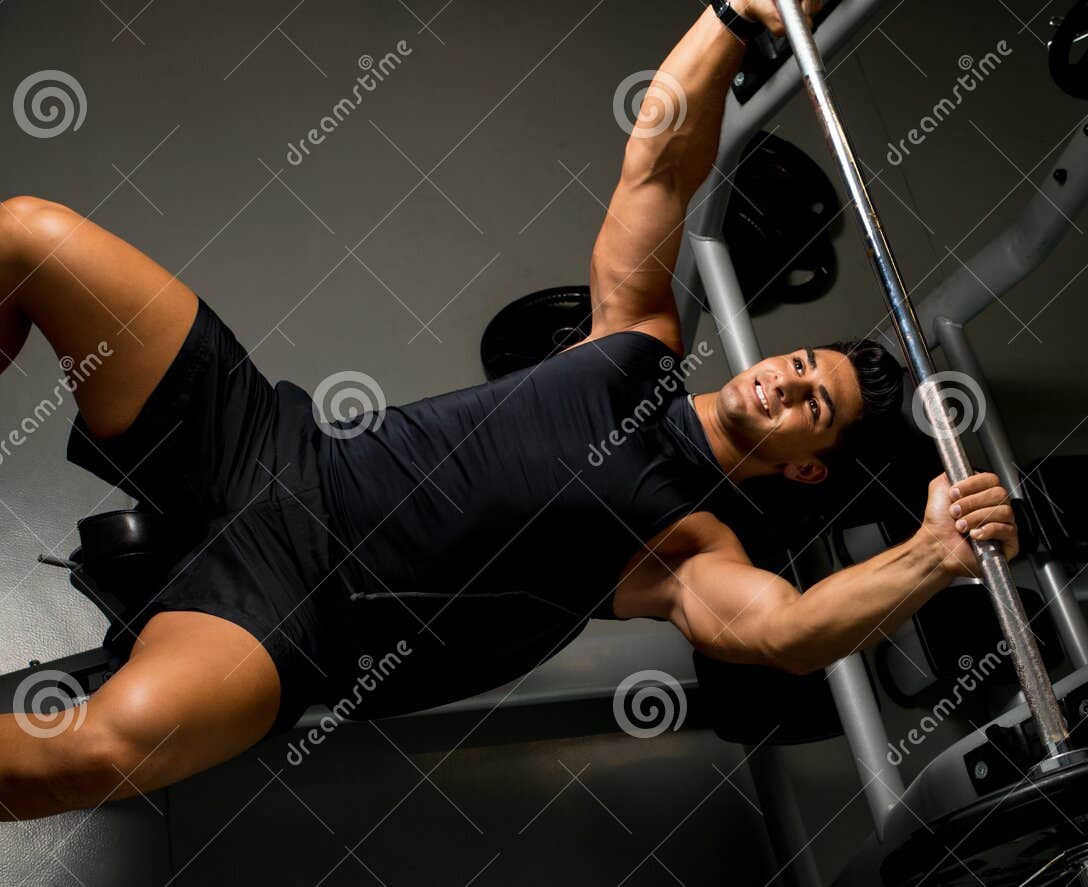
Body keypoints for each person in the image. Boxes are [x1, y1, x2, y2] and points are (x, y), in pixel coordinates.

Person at [0, 0, 1016, 822]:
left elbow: (787, 633)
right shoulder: (633, 341)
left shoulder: (687, 549)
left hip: (296, 611)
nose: (786, 379)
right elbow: (656, 164)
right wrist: (732, 21)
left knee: (91, 755)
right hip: (269, 450)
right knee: (30, 237)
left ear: (805, 465)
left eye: (812, 406)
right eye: (801, 361)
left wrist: (930, 554)